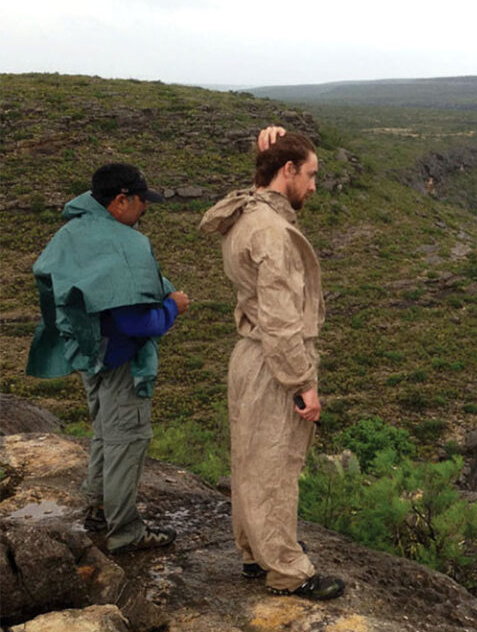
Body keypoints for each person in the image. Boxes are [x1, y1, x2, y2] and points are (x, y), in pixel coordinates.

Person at [198, 127, 344, 600]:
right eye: (310, 174)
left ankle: (253, 551)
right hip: (273, 360)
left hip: (250, 356)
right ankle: (286, 569)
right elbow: (282, 320)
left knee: (249, 459)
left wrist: (269, 151)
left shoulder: (248, 212)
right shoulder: (272, 233)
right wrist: (304, 383)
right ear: (287, 171)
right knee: (276, 463)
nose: (315, 186)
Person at [26, 163, 189, 554]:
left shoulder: (74, 232)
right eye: (140, 202)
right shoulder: (122, 244)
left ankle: (99, 508)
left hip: (89, 354)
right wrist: (173, 308)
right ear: (121, 200)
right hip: (119, 360)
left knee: (104, 435)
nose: (144, 210)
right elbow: (134, 321)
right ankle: (125, 531)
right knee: (127, 440)